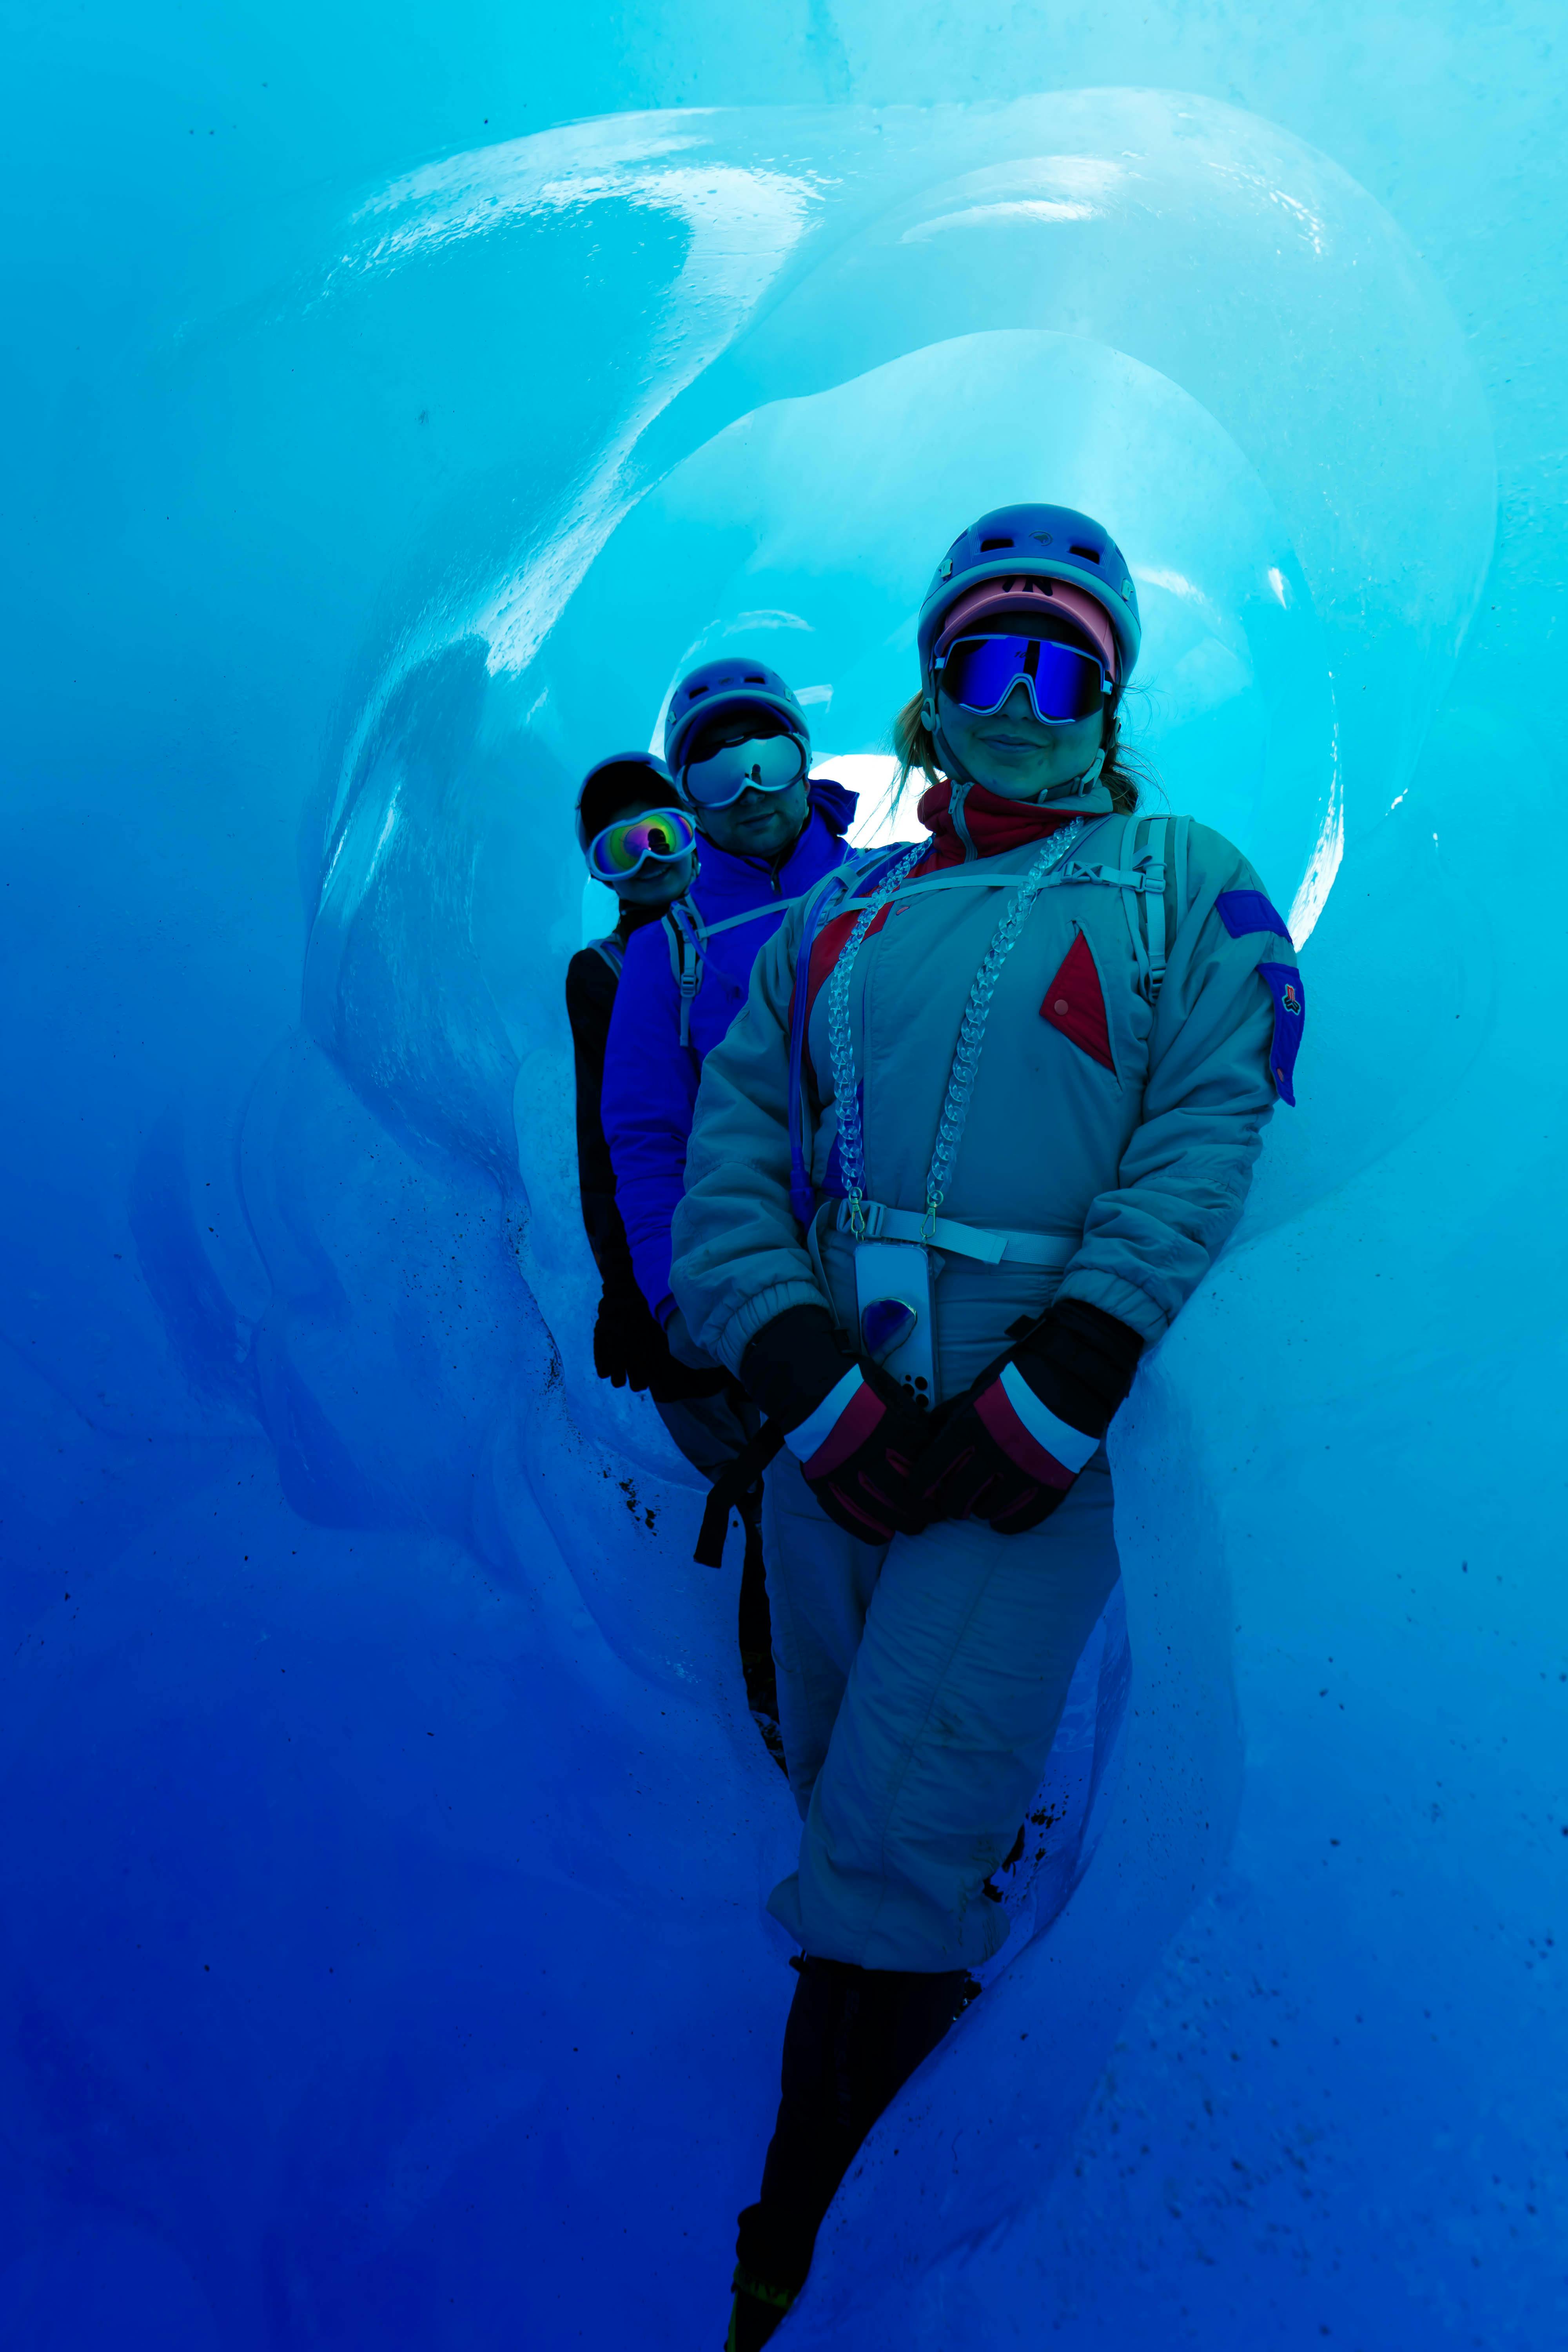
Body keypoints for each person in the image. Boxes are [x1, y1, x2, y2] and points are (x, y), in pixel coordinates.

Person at [666, 506, 1306, 2347]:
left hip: (1029, 1439)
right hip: (839, 1412)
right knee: (842, 1772)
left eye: (1060, 665)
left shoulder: (1180, 878)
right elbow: (730, 1159)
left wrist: (1065, 1375)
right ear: (929, 694)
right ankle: (929, 2032)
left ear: (1107, 700)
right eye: (982, 659)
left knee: (894, 1816)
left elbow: (1209, 1125)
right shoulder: (832, 917)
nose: (1019, 698)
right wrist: (798, 1368)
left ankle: (807, 2241)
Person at [564, 751, 779, 1748]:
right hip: (681, 1282)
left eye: (664, 832)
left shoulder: (758, 930)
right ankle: (784, 1716)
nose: (650, 858)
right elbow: (608, 1142)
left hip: (780, 1255)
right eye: (622, 850)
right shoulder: (606, 973)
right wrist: (629, 1291)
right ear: (598, 873)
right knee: (777, 1496)